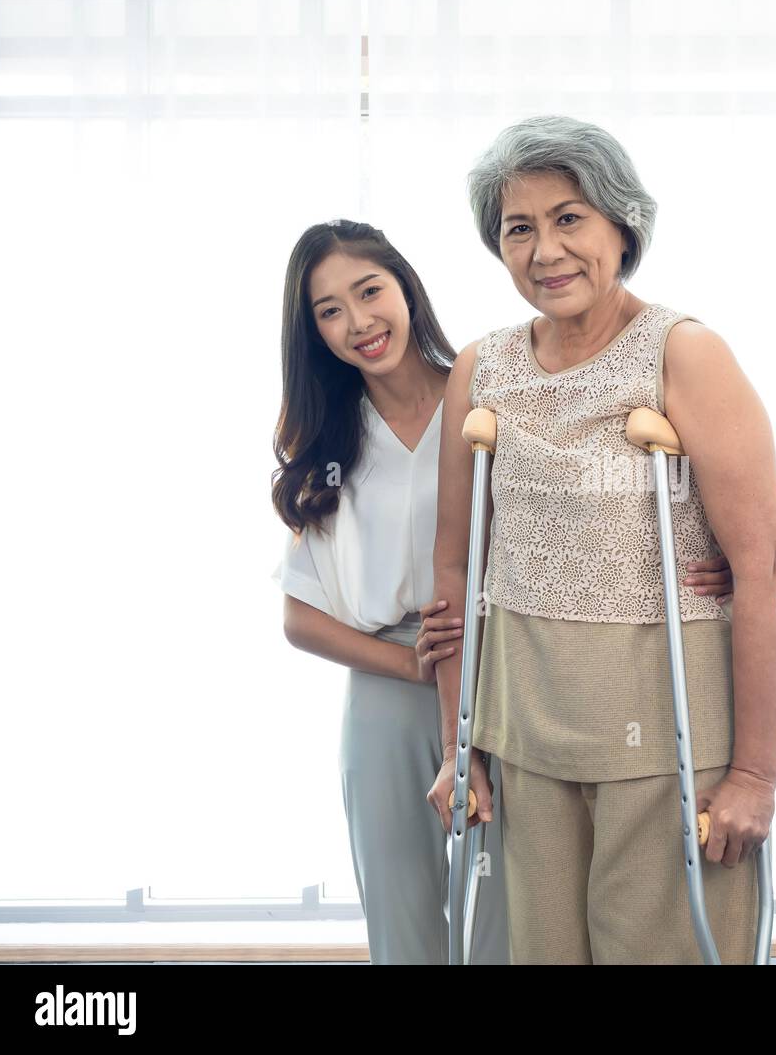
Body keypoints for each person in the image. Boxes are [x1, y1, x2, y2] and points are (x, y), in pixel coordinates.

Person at [270, 218, 737, 964]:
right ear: (314, 331)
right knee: (406, 922)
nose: (357, 321)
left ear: (404, 289)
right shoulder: (331, 440)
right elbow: (298, 617)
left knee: (503, 919)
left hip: (503, 677)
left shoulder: (489, 385)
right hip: (391, 692)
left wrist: (714, 555)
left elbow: (588, 507)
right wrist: (412, 666)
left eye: (368, 291)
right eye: (329, 310)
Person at [427, 116, 776, 964]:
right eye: (519, 228)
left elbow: (767, 562)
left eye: (569, 218)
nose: (546, 250)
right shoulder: (482, 371)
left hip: (664, 738)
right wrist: (461, 746)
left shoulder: (684, 353)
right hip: (528, 737)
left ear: (621, 226)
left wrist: (755, 776)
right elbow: (456, 565)